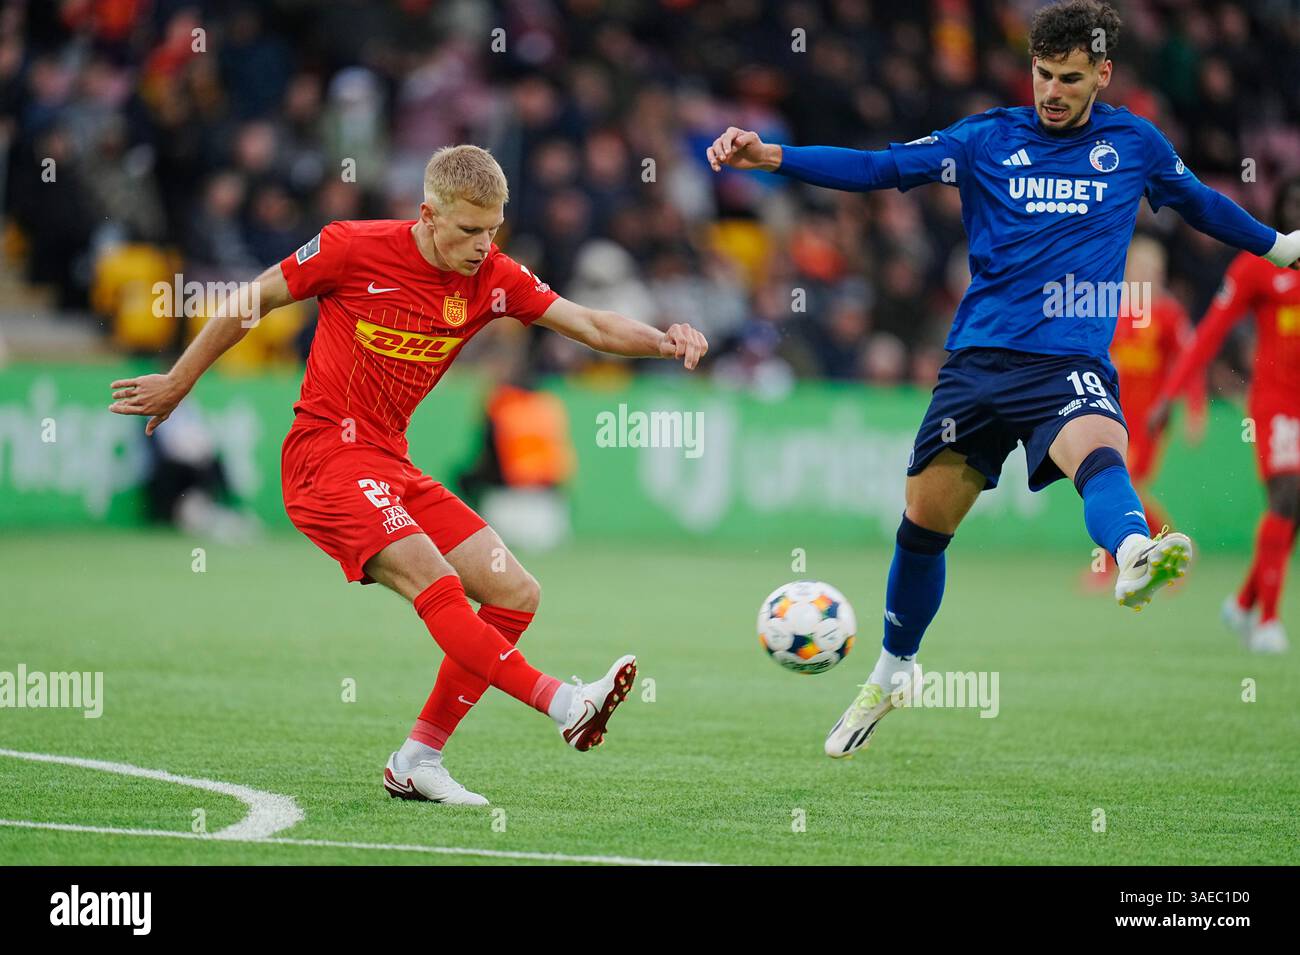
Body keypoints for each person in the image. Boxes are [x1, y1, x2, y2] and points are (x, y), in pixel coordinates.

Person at [706, 0, 1300, 758]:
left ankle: (1131, 556)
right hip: (980, 363)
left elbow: (1203, 205)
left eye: (1070, 78)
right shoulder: (985, 139)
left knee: (1100, 451)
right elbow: (882, 167)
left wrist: (1278, 245)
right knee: (923, 529)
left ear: (1102, 75)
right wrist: (774, 157)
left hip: (1071, 362)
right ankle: (895, 668)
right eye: (1043, 74)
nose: (1052, 90)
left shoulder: (1135, 145)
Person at [109, 144, 708, 803]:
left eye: (494, 229)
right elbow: (253, 299)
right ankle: (566, 704)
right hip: (325, 460)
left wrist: (661, 339)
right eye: (470, 230)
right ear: (427, 215)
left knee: (515, 592)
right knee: (437, 579)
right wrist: (178, 382)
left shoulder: (492, 278)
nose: (484, 246)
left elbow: (588, 321)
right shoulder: (352, 247)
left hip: (391, 464)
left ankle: (418, 758)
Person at [1149, 175, 1300, 654]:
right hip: (1277, 405)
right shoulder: (1259, 267)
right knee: (1288, 496)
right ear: (1278, 208)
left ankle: (1241, 603)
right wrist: (1168, 395)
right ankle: (1269, 622)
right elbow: (1210, 334)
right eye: (1291, 202)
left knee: (1294, 511)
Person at [1082, 234, 1205, 586]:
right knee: (1121, 486)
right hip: (1113, 416)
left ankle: (1115, 565)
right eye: (1139, 268)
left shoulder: (1168, 315)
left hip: (1150, 420)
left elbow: (1190, 362)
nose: (1145, 276)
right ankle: (1170, 547)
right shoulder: (1112, 310)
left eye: (1153, 270)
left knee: (1124, 485)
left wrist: (1195, 410)